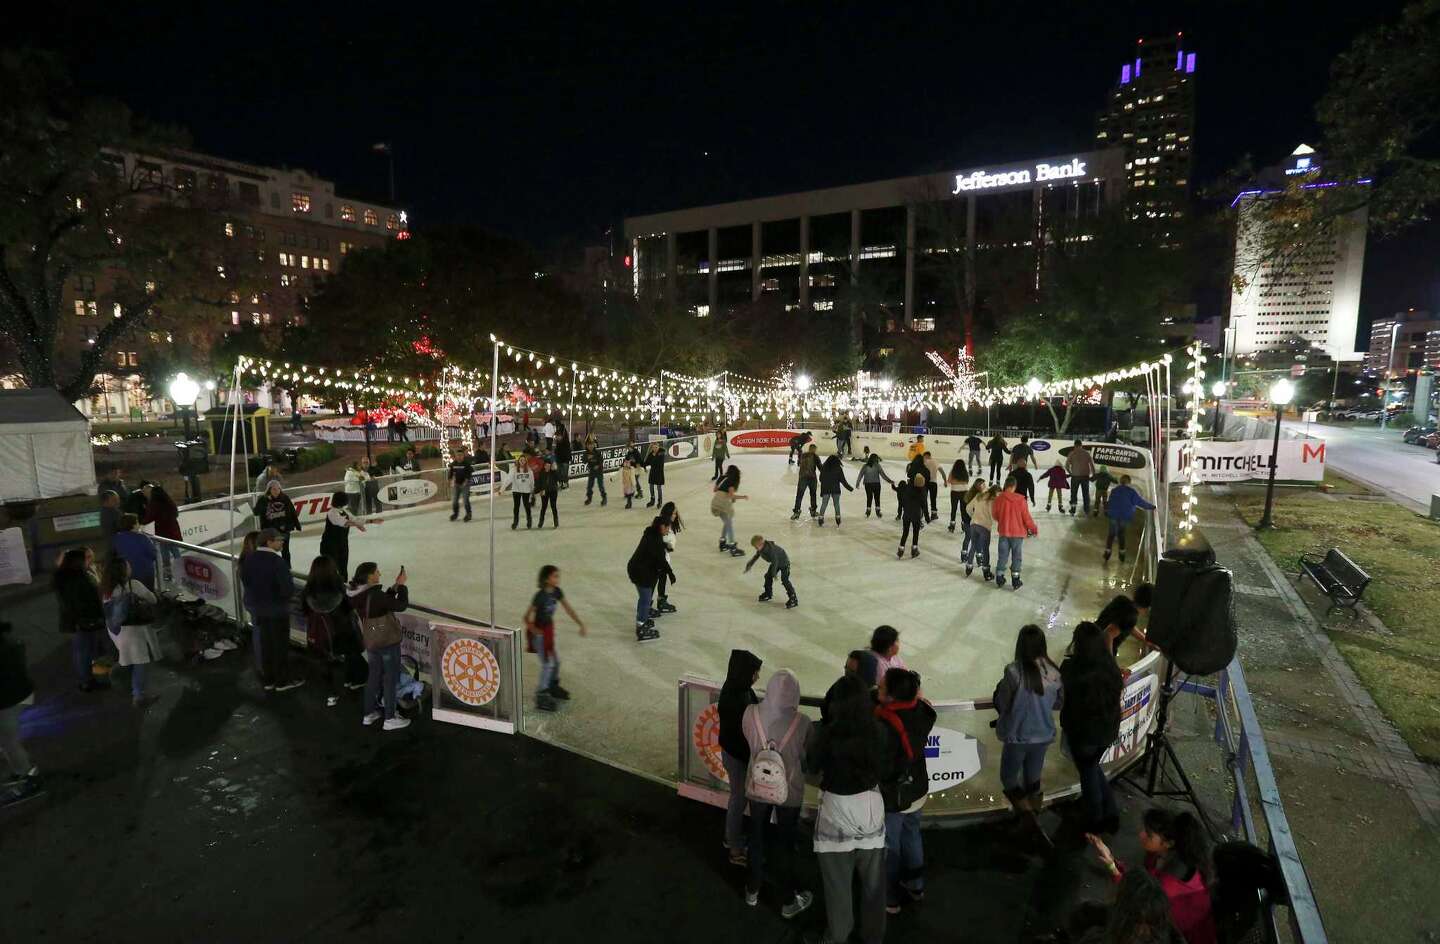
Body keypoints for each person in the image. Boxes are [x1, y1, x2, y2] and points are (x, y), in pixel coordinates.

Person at [805, 674, 888, 944]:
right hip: (871, 811)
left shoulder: (826, 734)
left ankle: (837, 936)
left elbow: (813, 768)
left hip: (836, 812)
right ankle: (873, 936)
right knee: (874, 885)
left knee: (838, 886)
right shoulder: (879, 730)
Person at [741, 669, 816, 919]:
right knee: (785, 844)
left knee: (756, 836)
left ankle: (752, 890)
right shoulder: (802, 722)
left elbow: (749, 744)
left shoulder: (750, 713)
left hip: (757, 788)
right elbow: (807, 756)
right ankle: (786, 900)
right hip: (789, 793)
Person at [1088, 809, 1218, 944]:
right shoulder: (1165, 857)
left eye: (1149, 835)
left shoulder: (1166, 886)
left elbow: (1135, 898)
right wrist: (1112, 861)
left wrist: (1112, 867)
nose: (1141, 835)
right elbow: (1140, 879)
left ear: (1168, 843)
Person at [993, 624, 1063, 841]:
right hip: (1043, 735)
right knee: (1032, 779)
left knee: (1009, 778)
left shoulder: (1013, 672)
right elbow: (1058, 704)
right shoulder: (1054, 671)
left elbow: (1003, 703)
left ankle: (1028, 819)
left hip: (1019, 736)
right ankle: (1032, 818)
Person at [876, 667, 935, 915]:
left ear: (892, 696)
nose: (877, 687)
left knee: (890, 844)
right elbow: (926, 706)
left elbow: (883, 764)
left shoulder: (883, 724)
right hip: (917, 788)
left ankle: (889, 897)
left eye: (880, 687)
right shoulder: (922, 712)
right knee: (912, 835)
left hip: (894, 795)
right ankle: (916, 885)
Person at [1061, 621, 1124, 834]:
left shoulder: (1072, 669)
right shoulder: (1110, 668)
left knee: (1088, 774)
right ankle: (1111, 812)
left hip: (1084, 735)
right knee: (1092, 767)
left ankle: (1095, 819)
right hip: (1107, 731)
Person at [347, 561, 411, 730]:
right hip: (386, 639)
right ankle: (390, 717)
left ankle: (368, 714)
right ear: (369, 576)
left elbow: (382, 602)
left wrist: (395, 585)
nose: (379, 574)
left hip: (371, 638)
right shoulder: (374, 595)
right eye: (377, 572)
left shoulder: (358, 593)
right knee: (390, 678)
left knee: (374, 676)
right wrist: (402, 587)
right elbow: (400, 605)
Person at [240, 529, 302, 692]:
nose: (282, 542)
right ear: (269, 541)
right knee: (280, 646)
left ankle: (268, 680)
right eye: (279, 540)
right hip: (277, 611)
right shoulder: (277, 562)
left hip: (259, 609)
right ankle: (282, 681)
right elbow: (287, 589)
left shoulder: (250, 559)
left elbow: (246, 580)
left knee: (266, 644)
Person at [718, 649, 762, 866]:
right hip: (737, 757)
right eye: (755, 672)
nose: (758, 677)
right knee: (738, 799)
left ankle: (732, 837)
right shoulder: (738, 699)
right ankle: (734, 847)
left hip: (732, 753)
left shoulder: (735, 688)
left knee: (738, 798)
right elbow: (742, 734)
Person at [304, 555, 366, 708]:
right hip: (342, 630)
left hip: (320, 634)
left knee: (324, 662)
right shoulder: (337, 586)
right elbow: (348, 606)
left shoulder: (308, 590)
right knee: (352, 652)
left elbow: (304, 610)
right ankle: (353, 680)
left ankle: (331, 693)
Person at [524, 565, 587, 711]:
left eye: (558, 576)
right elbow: (527, 617)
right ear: (546, 579)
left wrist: (580, 624)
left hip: (548, 631)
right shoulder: (539, 596)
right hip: (538, 634)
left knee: (556, 662)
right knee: (548, 664)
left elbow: (568, 609)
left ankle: (552, 685)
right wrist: (535, 630)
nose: (558, 579)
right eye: (555, 576)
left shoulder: (557, 592)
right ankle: (541, 694)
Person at [100, 557, 162, 707]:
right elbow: (153, 599)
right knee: (141, 661)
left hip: (116, 629)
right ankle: (139, 696)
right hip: (134, 630)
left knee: (128, 656)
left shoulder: (106, 588)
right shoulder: (133, 585)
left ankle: (120, 672)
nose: (130, 567)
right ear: (123, 571)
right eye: (128, 566)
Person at [0, 620, 41, 804]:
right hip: (16, 695)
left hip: (11, 699)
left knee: (8, 741)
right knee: (7, 741)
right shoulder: (7, 641)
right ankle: (21, 772)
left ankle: (29, 778)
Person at [54, 547, 105, 691]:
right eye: (85, 559)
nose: (88, 561)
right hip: (83, 621)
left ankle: (86, 679)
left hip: (75, 621)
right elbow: (85, 601)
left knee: (81, 650)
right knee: (84, 651)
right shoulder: (78, 579)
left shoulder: (64, 577)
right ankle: (86, 681)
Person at [626, 517, 672, 642]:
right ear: (662, 527)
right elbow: (660, 560)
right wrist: (670, 573)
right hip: (640, 573)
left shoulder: (651, 534)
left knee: (644, 598)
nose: (668, 531)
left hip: (636, 569)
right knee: (646, 599)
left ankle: (642, 621)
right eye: (667, 528)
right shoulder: (655, 540)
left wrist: (664, 545)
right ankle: (641, 627)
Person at [993, 475, 1039, 590]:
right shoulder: (1021, 500)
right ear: (1014, 486)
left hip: (1004, 532)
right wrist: (1033, 529)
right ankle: (1015, 579)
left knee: (1002, 555)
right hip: (1018, 534)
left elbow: (995, 514)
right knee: (1016, 556)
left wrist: (1003, 521)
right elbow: (1026, 518)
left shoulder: (999, 499)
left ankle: (999, 577)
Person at [1105, 475, 1156, 564]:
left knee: (1111, 534)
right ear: (1129, 482)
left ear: (1120, 481)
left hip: (1113, 515)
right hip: (1124, 516)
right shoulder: (1131, 492)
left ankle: (1107, 552)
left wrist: (1108, 511)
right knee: (1121, 534)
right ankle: (1122, 554)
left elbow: (1110, 502)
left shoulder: (1114, 490)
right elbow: (1140, 502)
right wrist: (1152, 507)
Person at [319, 492, 366, 580]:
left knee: (343, 568)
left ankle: (344, 586)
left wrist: (360, 524)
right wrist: (361, 524)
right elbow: (345, 523)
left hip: (342, 544)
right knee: (332, 569)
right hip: (330, 546)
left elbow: (354, 519)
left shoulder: (344, 511)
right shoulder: (332, 513)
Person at [821, 650, 878, 722]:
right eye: (846, 668)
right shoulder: (841, 685)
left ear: (866, 673)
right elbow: (825, 707)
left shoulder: (875, 699)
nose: (846, 673)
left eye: (852, 671)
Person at [140, 481, 181, 575]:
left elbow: (150, 516)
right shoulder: (167, 500)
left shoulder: (154, 503)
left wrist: (140, 523)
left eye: (146, 493)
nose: (145, 495)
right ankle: (181, 569)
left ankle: (168, 572)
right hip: (172, 528)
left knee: (165, 552)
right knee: (174, 550)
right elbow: (175, 512)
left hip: (163, 531)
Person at [744, 535, 797, 608]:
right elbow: (756, 556)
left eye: (756, 547)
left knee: (785, 580)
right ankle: (768, 593)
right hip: (776, 563)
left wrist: (774, 573)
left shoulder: (771, 550)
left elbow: (775, 561)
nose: (756, 549)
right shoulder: (761, 549)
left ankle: (793, 598)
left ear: (761, 544)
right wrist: (749, 564)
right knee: (767, 576)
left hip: (784, 563)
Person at [257, 480, 302, 567]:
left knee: (285, 551)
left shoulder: (285, 498)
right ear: (269, 490)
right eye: (274, 489)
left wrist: (297, 524)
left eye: (278, 489)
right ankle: (270, 569)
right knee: (269, 552)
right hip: (270, 531)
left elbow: (292, 511)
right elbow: (256, 512)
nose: (276, 491)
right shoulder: (264, 500)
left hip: (284, 530)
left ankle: (287, 568)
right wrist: (264, 501)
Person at [111, 513, 158, 591]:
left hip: (126, 575)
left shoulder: (116, 539)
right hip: (145, 573)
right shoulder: (142, 538)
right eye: (137, 523)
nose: (139, 525)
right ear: (133, 525)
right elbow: (153, 554)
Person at [963, 481, 997, 580]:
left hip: (973, 525)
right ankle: (986, 572)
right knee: (985, 549)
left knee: (973, 545)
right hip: (984, 527)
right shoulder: (991, 500)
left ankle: (969, 566)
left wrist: (973, 516)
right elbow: (992, 515)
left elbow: (968, 508)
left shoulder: (978, 495)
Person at [711, 466, 748, 556]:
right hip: (723, 503)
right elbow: (731, 495)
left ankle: (722, 543)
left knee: (727, 522)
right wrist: (743, 497)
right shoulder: (733, 480)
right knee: (729, 523)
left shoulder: (722, 477)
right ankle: (732, 547)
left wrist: (730, 495)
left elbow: (715, 490)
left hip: (715, 502)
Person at [654, 501, 682, 615]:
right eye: (674, 514)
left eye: (676, 514)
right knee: (654, 582)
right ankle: (648, 606)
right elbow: (658, 542)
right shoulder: (662, 526)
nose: (675, 516)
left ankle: (661, 601)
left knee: (662, 581)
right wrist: (668, 546)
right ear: (668, 513)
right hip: (657, 560)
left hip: (664, 561)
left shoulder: (668, 526)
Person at [893, 472, 927, 558]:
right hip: (916, 515)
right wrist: (927, 517)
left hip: (907, 514)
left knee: (905, 532)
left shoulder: (907, 489)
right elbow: (924, 506)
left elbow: (903, 501)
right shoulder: (922, 492)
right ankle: (914, 549)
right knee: (916, 533)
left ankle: (901, 549)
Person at [817, 453, 854, 526]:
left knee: (824, 504)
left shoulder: (824, 467)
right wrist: (850, 488)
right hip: (835, 489)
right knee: (836, 504)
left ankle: (821, 518)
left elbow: (820, 479)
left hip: (826, 488)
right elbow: (843, 480)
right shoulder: (838, 468)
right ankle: (838, 518)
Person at [857, 454, 894, 518]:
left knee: (869, 497)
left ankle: (868, 511)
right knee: (877, 498)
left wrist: (858, 483)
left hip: (868, 484)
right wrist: (889, 481)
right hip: (876, 484)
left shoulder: (865, 466)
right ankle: (878, 511)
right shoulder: (877, 466)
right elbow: (883, 475)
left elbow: (860, 475)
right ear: (875, 459)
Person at [1066, 439, 1097, 516]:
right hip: (1085, 476)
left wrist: (1070, 473)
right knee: (1085, 494)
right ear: (1081, 445)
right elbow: (1092, 465)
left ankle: (1073, 510)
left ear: (1074, 445)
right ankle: (1087, 510)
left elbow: (1066, 466)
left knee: (1073, 493)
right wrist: (1094, 474)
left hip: (1075, 476)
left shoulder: (1072, 453)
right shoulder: (1087, 453)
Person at [791, 443, 820, 520]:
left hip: (803, 477)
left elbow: (799, 463)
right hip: (811, 478)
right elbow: (820, 467)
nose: (814, 451)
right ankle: (813, 510)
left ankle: (796, 511)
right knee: (812, 495)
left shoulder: (802, 455)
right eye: (814, 449)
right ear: (813, 449)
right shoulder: (815, 456)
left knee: (799, 495)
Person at [507, 451, 536, 529]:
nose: (522, 462)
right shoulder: (514, 470)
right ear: (518, 461)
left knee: (527, 506)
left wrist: (532, 491)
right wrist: (502, 489)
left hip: (526, 491)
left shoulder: (529, 470)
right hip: (516, 491)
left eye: (524, 460)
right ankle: (515, 522)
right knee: (516, 507)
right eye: (521, 460)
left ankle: (529, 521)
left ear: (526, 461)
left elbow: (532, 482)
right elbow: (508, 479)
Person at [449, 447, 474, 522]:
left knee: (465, 499)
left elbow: (469, 475)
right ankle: (455, 514)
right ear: (456, 456)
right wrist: (450, 482)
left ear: (463, 456)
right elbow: (450, 475)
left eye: (461, 455)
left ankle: (468, 514)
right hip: (457, 484)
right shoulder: (453, 464)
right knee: (455, 500)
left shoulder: (467, 464)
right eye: (458, 455)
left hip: (465, 484)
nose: (459, 457)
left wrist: (465, 483)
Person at [946, 459, 970, 533]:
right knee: (963, 509)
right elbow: (967, 481)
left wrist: (955, 482)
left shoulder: (953, 472)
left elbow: (949, 481)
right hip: (964, 491)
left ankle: (952, 524)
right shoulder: (965, 472)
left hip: (955, 492)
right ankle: (964, 524)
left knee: (954, 508)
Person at [537, 457, 561, 529]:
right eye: (546, 465)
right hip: (544, 492)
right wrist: (540, 490)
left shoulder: (554, 472)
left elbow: (559, 479)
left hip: (553, 491)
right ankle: (541, 521)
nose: (547, 467)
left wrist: (555, 470)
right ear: (544, 465)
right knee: (543, 507)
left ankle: (556, 521)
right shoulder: (541, 472)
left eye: (549, 465)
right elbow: (539, 483)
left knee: (553, 506)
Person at [644, 442, 667, 508]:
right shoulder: (651, 454)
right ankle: (652, 500)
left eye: (656, 447)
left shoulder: (661, 453)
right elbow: (647, 462)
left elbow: (656, 460)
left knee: (658, 487)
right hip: (652, 472)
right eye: (653, 447)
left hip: (659, 473)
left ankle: (660, 501)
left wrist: (653, 455)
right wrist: (644, 466)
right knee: (651, 486)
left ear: (658, 447)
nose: (655, 449)